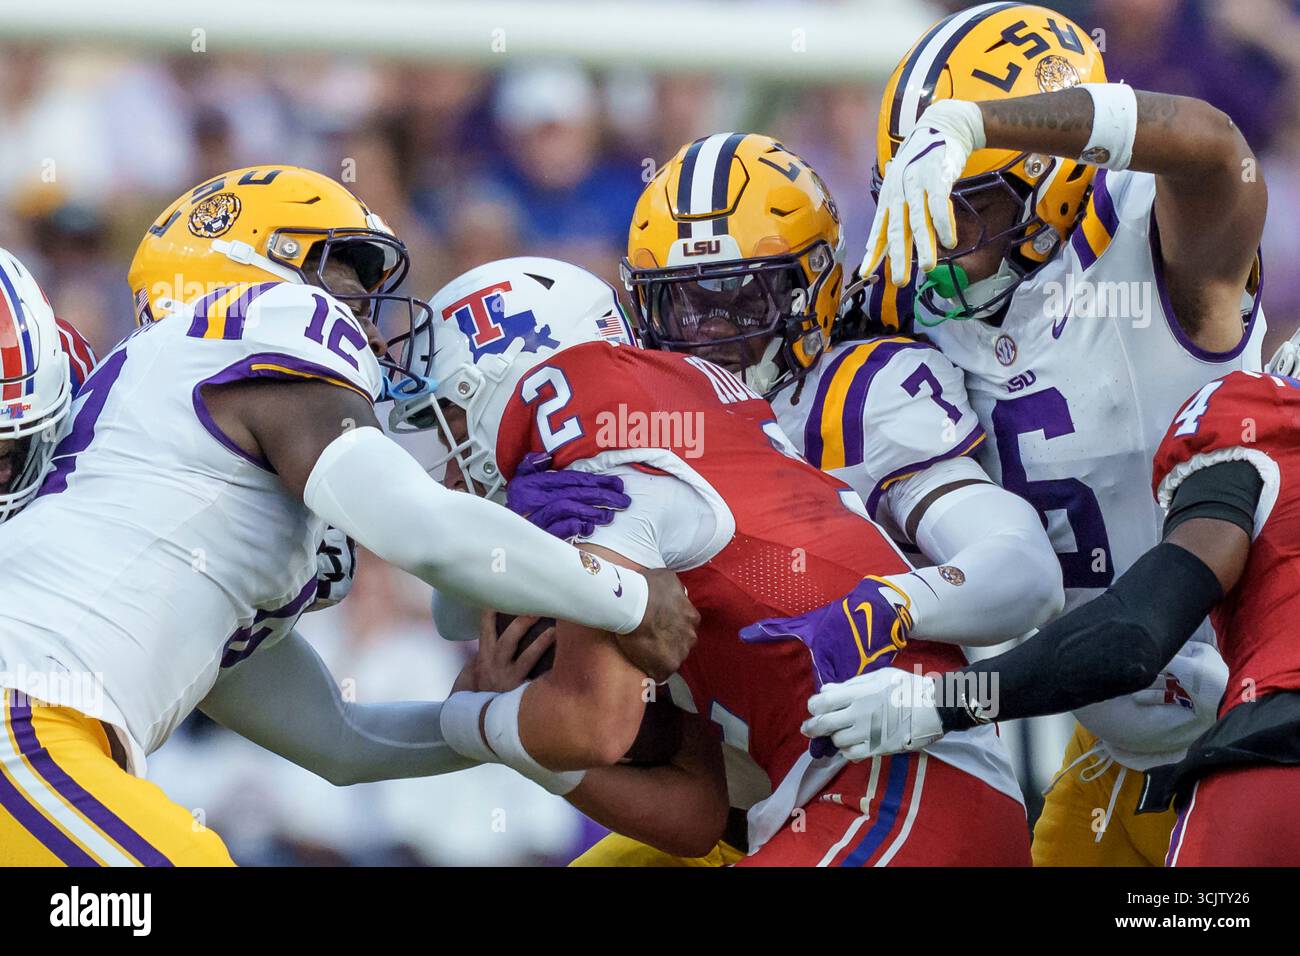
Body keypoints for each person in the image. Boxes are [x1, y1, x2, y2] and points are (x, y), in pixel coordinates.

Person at [0, 166, 696, 866]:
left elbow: (336, 740)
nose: (368, 324)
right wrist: (631, 597)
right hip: (25, 725)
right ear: (250, 269)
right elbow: (413, 525)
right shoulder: (263, 323)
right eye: (349, 288)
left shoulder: (182, 504)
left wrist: (480, 720)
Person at [394, 256, 1032, 865]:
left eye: (450, 416)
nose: (450, 467)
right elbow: (695, 811)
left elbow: (591, 725)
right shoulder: (626, 459)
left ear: (511, 381)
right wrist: (517, 743)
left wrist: (473, 720)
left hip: (899, 782)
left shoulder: (605, 463)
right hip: (818, 798)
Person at [557, 131, 1062, 865]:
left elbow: (1023, 569)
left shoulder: (858, 398)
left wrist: (893, 604)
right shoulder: (642, 420)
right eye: (687, 306)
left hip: (871, 768)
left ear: (813, 289)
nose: (713, 336)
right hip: (739, 798)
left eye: (743, 299)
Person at [840, 1, 1267, 866]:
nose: (938, 242)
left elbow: (1217, 143)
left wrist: (976, 122)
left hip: (1255, 718)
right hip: (1112, 742)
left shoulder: (1161, 249)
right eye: (922, 199)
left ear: (1057, 177)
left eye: (971, 205)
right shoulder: (902, 297)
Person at [802, 359, 1300, 865]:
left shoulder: (1263, 411)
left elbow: (1131, 638)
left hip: (1277, 754)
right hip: (1152, 750)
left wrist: (937, 701)